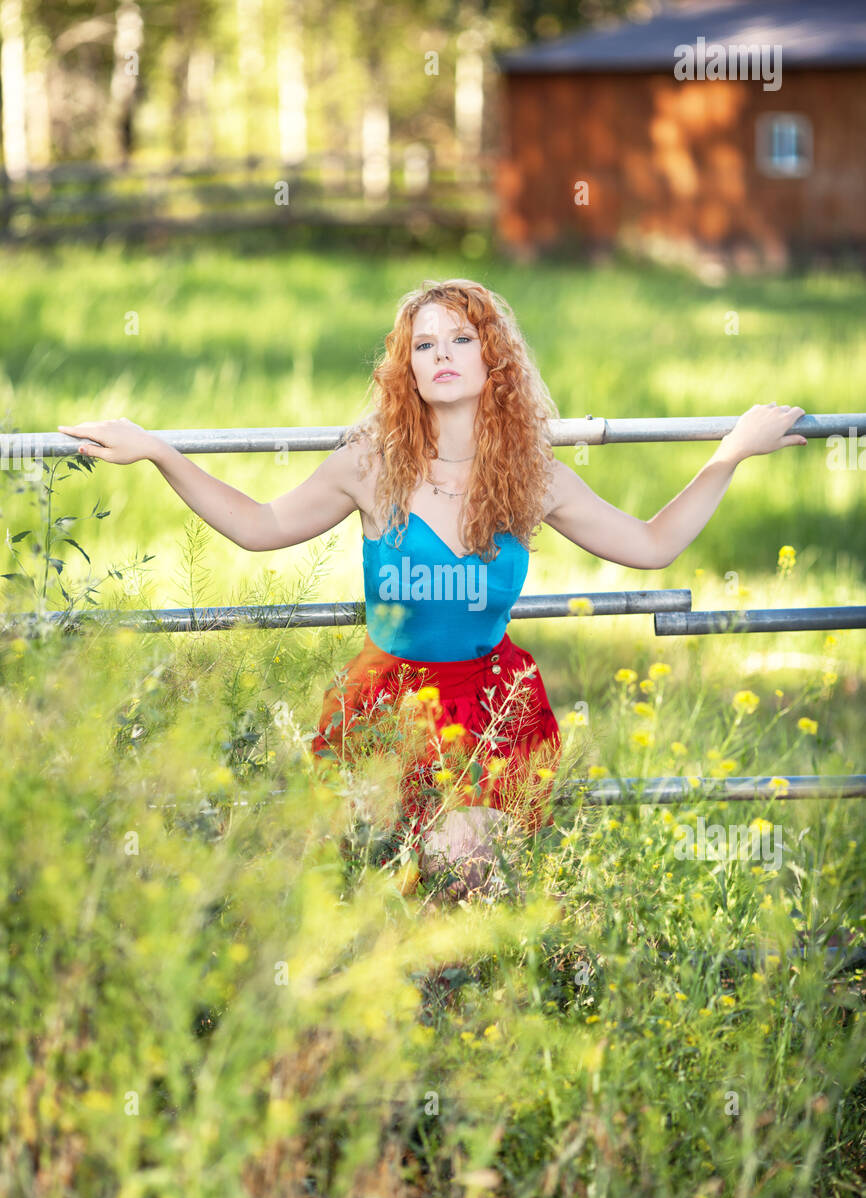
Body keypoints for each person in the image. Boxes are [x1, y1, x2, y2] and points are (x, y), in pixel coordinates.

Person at [57, 277, 808, 901]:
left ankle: (477, 1022)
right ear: (406, 369)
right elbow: (258, 526)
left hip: (491, 705)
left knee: (468, 869)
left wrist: (730, 453)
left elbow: (650, 545)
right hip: (387, 708)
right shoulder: (370, 467)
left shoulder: (531, 476)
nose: (442, 354)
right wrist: (158, 452)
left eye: (460, 339)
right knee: (374, 883)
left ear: (495, 361)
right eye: (424, 344)